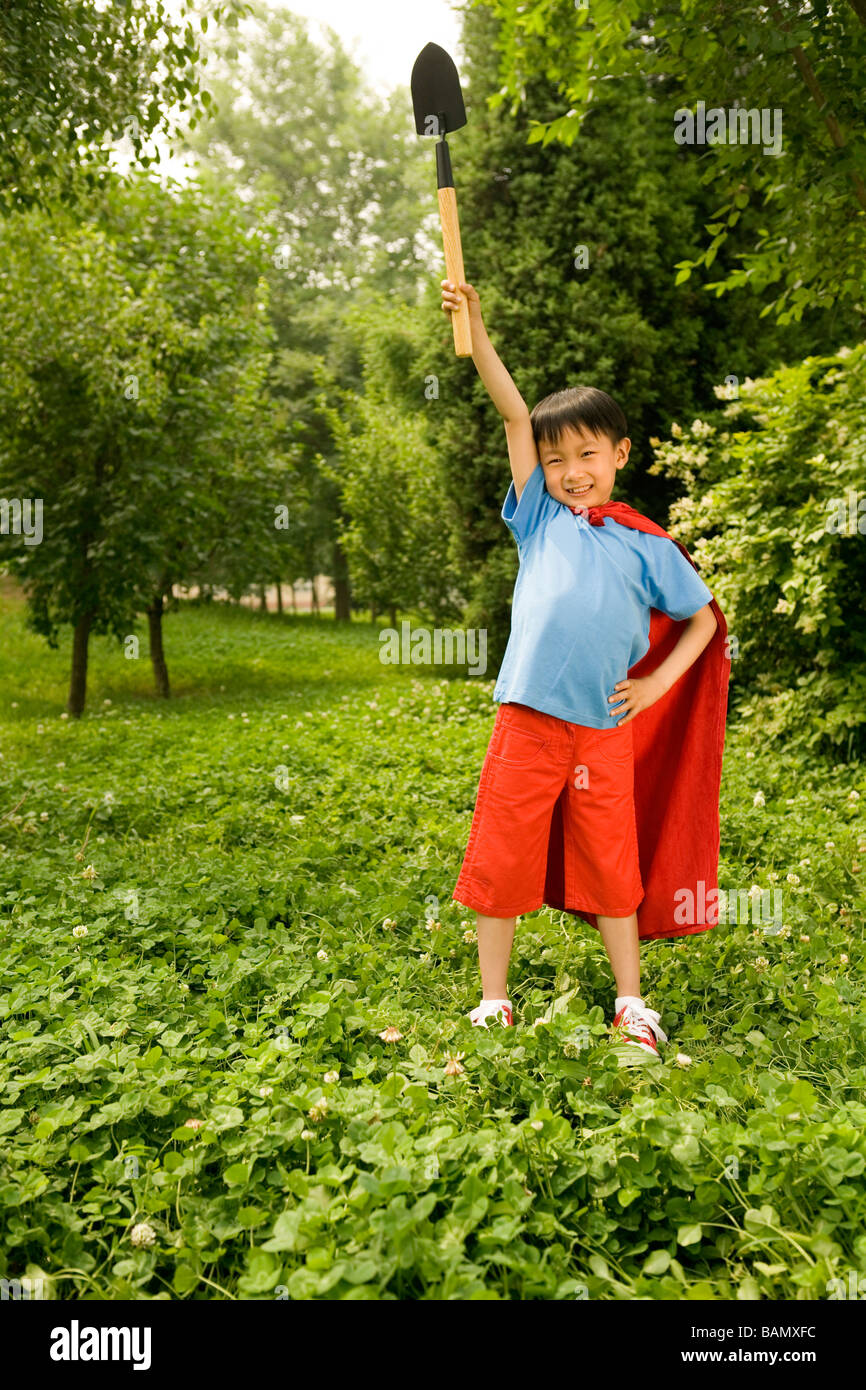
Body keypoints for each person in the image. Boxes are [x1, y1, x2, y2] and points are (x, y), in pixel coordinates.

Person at [442, 278, 729, 1063]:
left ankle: (630, 1002)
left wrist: (657, 685)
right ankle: (492, 1000)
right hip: (528, 720)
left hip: (602, 730)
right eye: (556, 457)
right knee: (501, 854)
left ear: (620, 456)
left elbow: (703, 619)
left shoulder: (647, 545)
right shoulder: (538, 518)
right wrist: (476, 327)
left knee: (613, 864)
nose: (572, 470)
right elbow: (510, 410)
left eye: (588, 456)